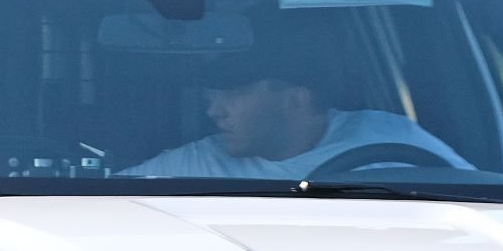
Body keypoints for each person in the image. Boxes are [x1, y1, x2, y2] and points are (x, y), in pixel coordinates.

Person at [121, 68, 469, 180]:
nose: (215, 112)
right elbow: (115, 197)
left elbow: (478, 190)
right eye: (209, 99)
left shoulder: (389, 136)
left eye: (232, 95)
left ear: (294, 99)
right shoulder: (202, 161)